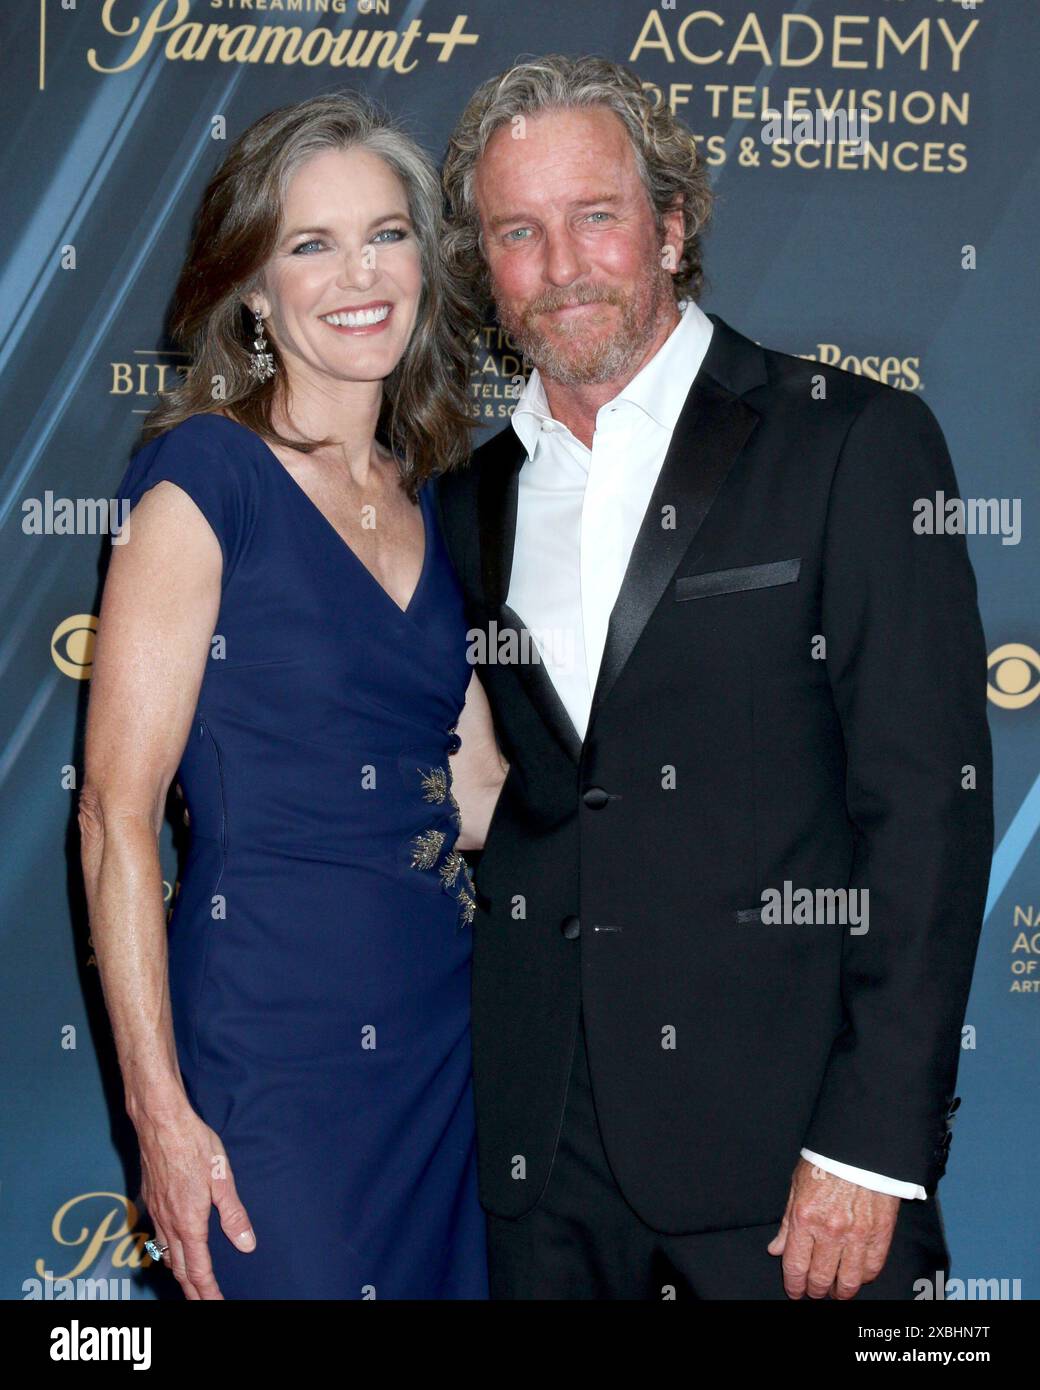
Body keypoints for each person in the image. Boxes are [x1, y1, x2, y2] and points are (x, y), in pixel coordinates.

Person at [436, 55, 994, 1300]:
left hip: (796, 1170)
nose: (561, 264)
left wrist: (871, 1143)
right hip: (541, 1177)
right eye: (517, 232)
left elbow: (928, 813)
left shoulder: (848, 442)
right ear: (484, 266)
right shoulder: (463, 502)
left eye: (596, 215)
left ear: (671, 225)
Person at [79, 91, 506, 1300]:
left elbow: (474, 791)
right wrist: (159, 1114)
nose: (358, 272)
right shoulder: (206, 476)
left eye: (385, 233)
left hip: (440, 1038)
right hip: (268, 1039)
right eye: (310, 244)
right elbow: (115, 814)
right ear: (254, 290)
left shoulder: (431, 496)